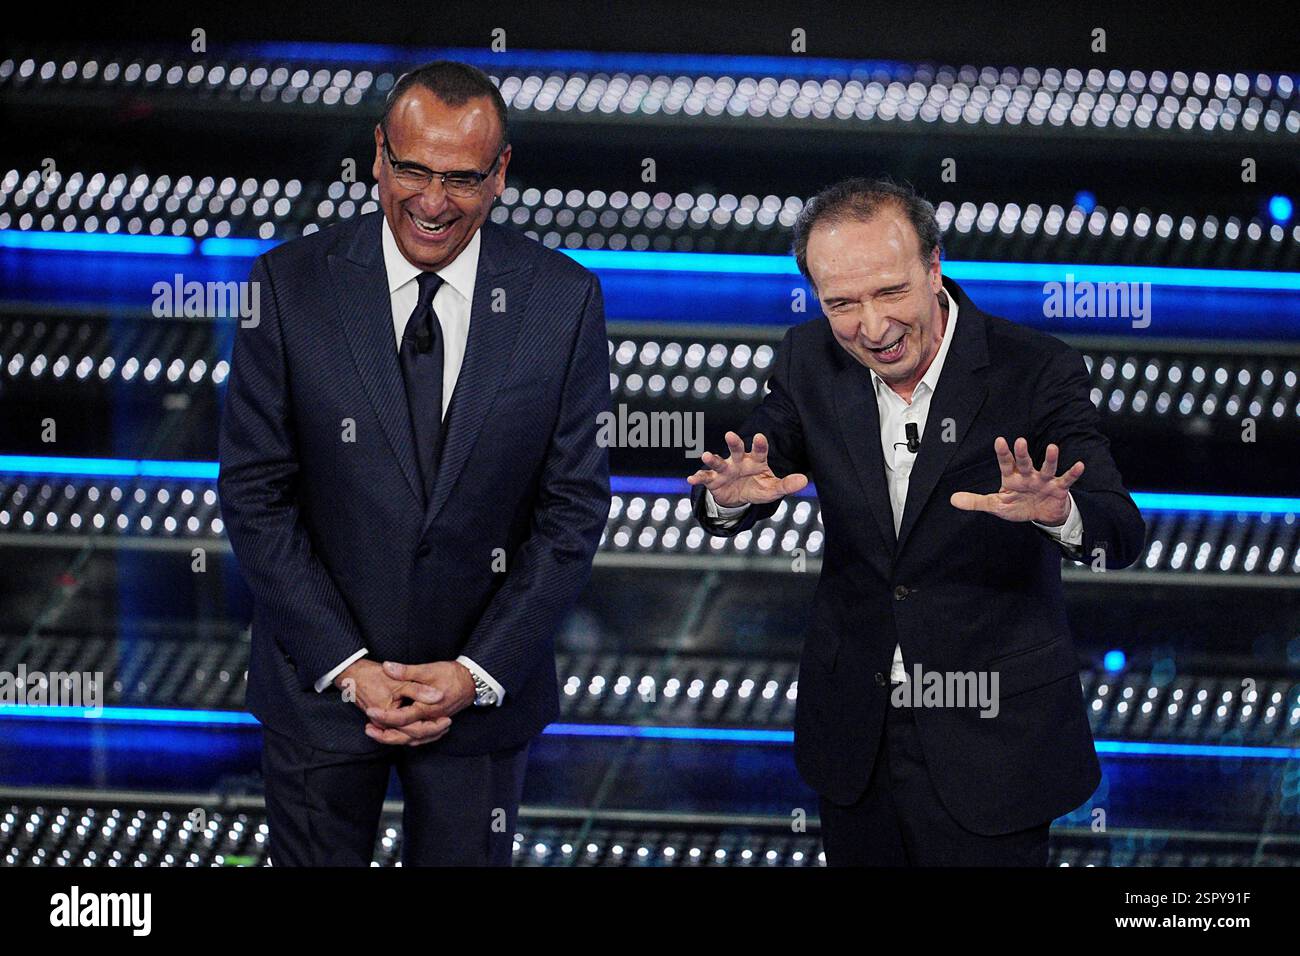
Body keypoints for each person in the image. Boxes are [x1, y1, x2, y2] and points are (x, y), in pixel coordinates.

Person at [687, 178, 1146, 866]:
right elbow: (752, 462)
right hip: (856, 733)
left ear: (934, 268)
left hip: (994, 738)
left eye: (890, 293)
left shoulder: (1034, 368)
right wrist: (730, 496)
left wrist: (1062, 512)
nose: (872, 328)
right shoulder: (808, 359)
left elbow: (1121, 531)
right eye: (842, 304)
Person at [218, 60, 609, 865]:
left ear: (501, 173)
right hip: (320, 695)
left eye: (461, 178)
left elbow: (572, 510)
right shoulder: (288, 286)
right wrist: (347, 666)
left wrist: (475, 673)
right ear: (377, 155)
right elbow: (256, 494)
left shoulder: (562, 299)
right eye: (413, 170)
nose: (433, 203)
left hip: (479, 706)